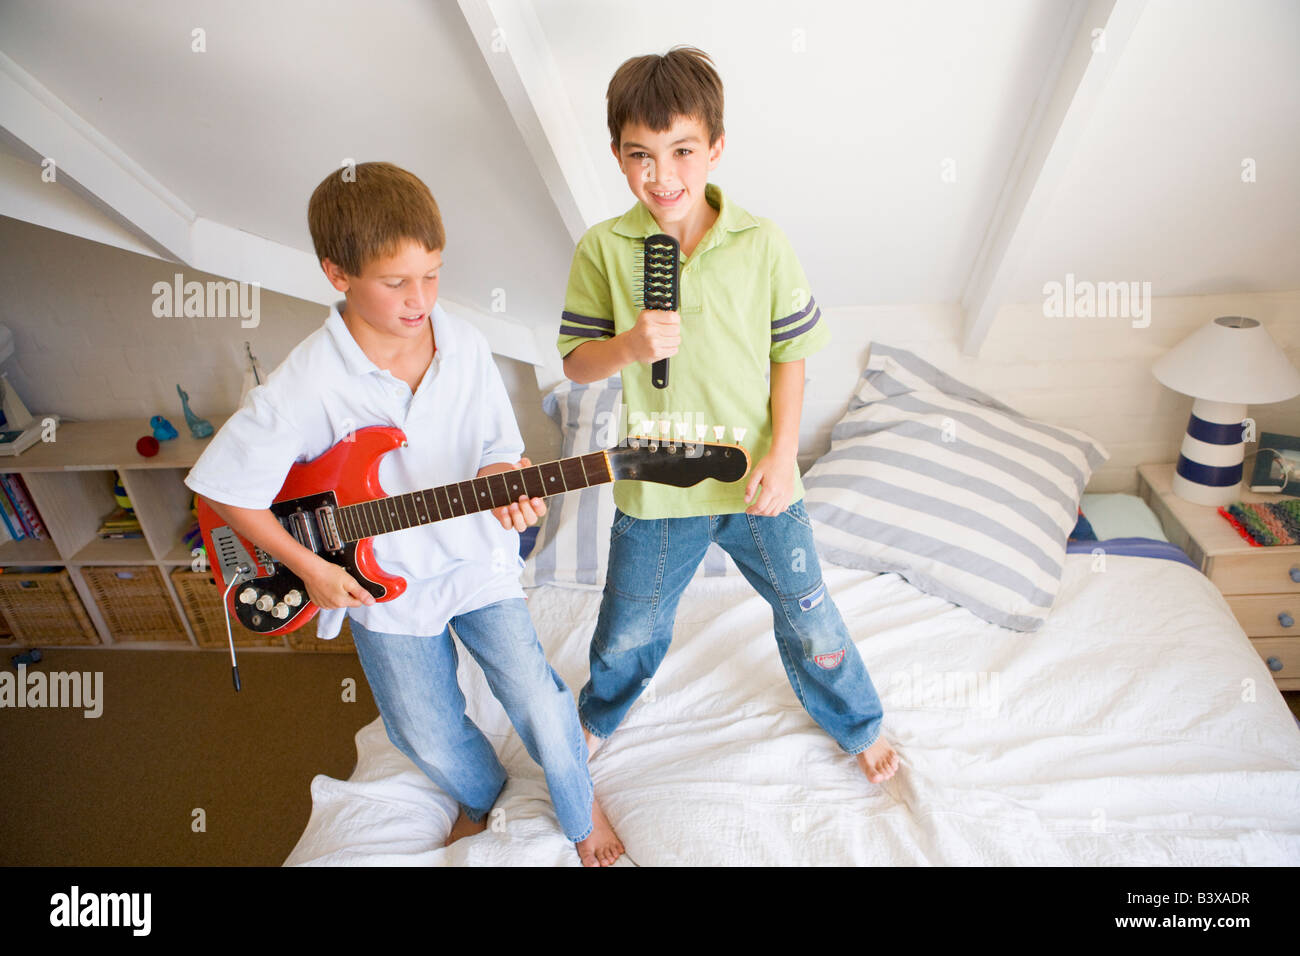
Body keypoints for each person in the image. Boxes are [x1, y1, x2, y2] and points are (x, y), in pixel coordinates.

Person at [186, 162, 624, 865]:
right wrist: (308, 569)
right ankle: (480, 795)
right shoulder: (307, 382)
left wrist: (501, 478)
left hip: (476, 560)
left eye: (433, 274)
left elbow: (497, 447)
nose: (420, 299)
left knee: (539, 701)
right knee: (420, 730)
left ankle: (580, 806)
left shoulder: (467, 345)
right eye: (395, 282)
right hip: (377, 586)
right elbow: (223, 490)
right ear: (338, 274)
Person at [558, 48, 899, 783]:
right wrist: (629, 343)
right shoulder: (604, 250)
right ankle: (598, 717)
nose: (663, 176)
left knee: (810, 612)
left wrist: (783, 456)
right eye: (640, 157)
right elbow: (577, 363)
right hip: (655, 484)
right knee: (629, 628)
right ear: (617, 157)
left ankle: (858, 721)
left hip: (758, 479)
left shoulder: (763, 243)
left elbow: (792, 356)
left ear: (715, 146)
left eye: (682, 151)